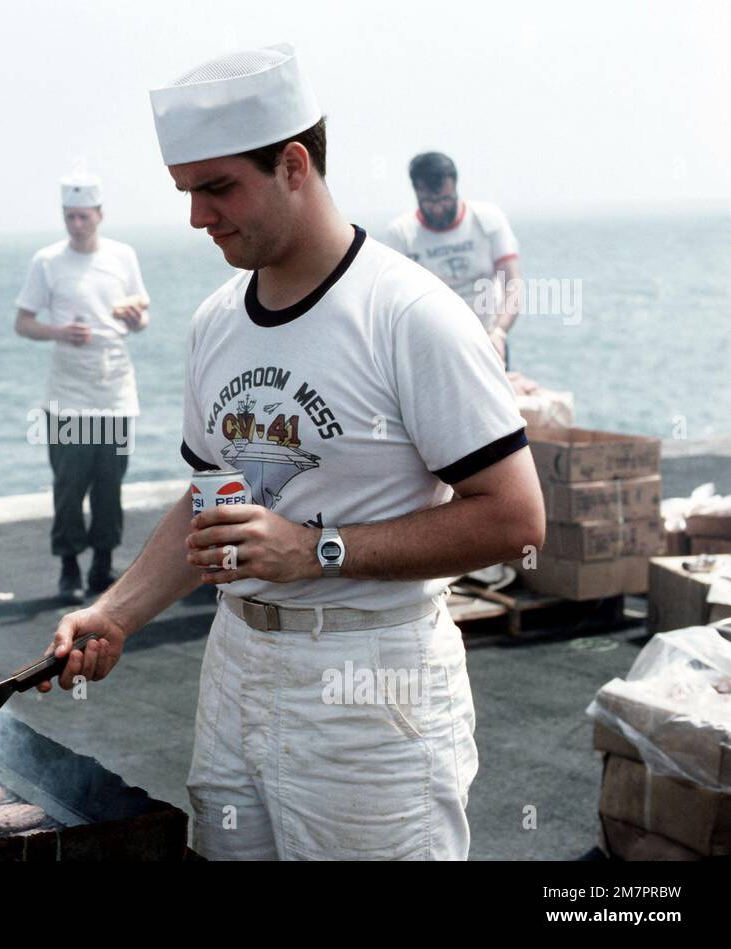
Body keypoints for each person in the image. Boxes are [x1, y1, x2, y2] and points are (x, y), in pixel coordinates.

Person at [36, 44, 545, 860]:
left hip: (371, 686)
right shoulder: (216, 322)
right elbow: (213, 500)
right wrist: (115, 611)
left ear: (295, 164)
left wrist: (317, 550)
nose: (199, 217)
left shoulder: (408, 314)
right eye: (188, 193)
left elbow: (517, 521)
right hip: (237, 667)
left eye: (218, 187)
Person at [14, 173, 150, 603]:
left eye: (83, 217)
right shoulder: (47, 261)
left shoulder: (122, 256)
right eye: (69, 217)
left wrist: (134, 318)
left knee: (110, 485)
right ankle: (69, 566)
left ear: (99, 216)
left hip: (114, 391)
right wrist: (59, 331)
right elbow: (23, 322)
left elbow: (141, 312)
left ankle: (103, 567)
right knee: (70, 485)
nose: (76, 225)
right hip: (68, 396)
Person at [382, 152, 522, 368]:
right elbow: (389, 302)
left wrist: (500, 332)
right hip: (432, 347)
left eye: (445, 199)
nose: (438, 208)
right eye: (428, 201)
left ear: (455, 188)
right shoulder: (402, 235)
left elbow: (513, 284)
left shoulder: (488, 221)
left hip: (488, 338)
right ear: (416, 192)